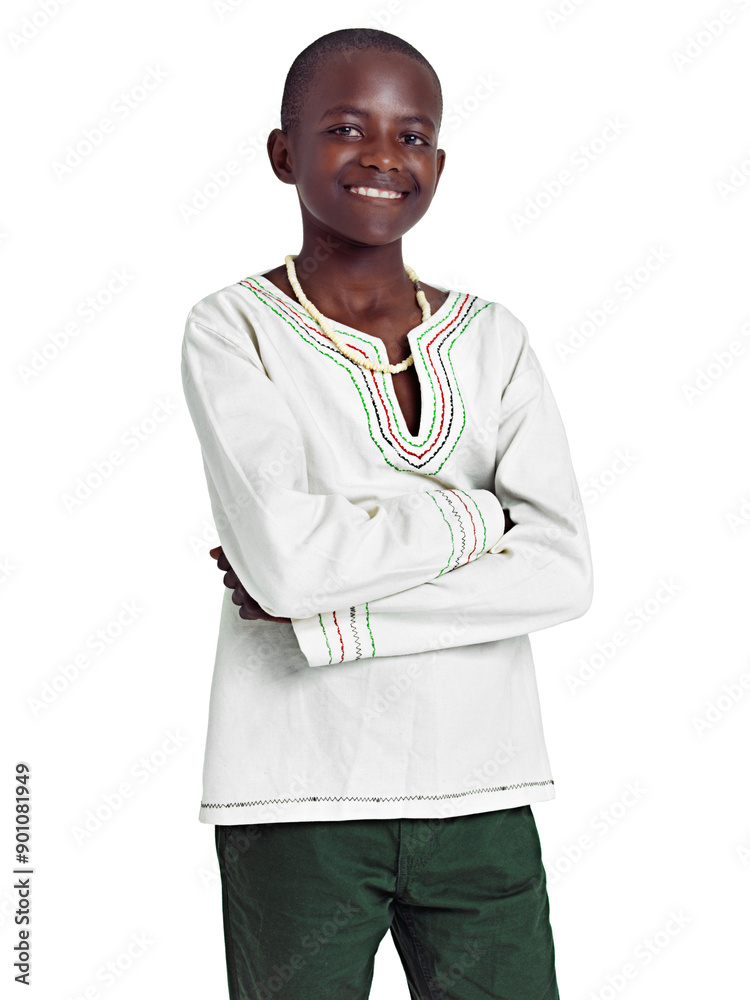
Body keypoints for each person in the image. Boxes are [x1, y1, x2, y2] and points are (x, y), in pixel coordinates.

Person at [180, 26, 593, 1000]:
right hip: (295, 794)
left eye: (412, 136)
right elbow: (282, 560)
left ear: (439, 162)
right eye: (344, 127)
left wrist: (333, 614)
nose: (381, 156)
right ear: (284, 152)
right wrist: (478, 517)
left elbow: (565, 570)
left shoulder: (494, 340)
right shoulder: (234, 330)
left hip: (484, 790)